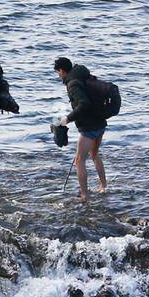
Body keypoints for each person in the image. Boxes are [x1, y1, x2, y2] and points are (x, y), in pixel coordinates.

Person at [53, 57, 107, 202]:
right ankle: (103, 186)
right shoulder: (83, 75)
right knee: (94, 154)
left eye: (58, 72)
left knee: (79, 160)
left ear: (62, 71)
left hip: (89, 127)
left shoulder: (73, 84)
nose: (58, 75)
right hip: (100, 122)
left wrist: (67, 119)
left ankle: (84, 195)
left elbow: (84, 104)